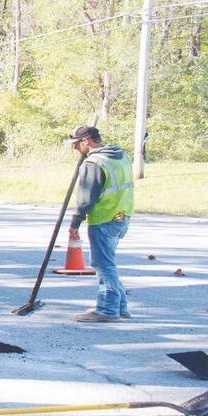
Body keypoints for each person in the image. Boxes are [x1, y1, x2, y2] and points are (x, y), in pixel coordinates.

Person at [65, 126, 134, 322]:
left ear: (86, 141)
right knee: (108, 263)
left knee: (104, 265)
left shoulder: (94, 163)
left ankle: (107, 309)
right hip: (122, 216)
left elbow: (87, 198)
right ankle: (120, 307)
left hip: (104, 218)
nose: (74, 149)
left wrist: (76, 221)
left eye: (76, 144)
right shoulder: (121, 155)